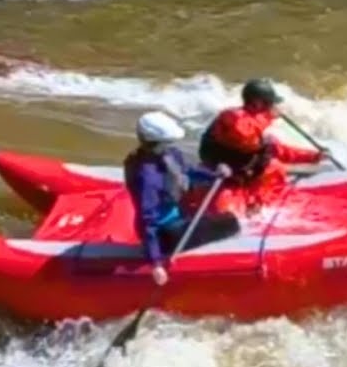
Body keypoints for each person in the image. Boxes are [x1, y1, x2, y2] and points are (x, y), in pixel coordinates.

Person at [124, 111, 240, 286]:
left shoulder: (169, 154)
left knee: (209, 214)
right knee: (230, 223)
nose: (171, 145)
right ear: (157, 144)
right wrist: (156, 264)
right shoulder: (148, 178)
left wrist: (214, 174)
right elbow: (148, 221)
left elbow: (188, 170)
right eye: (168, 142)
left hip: (177, 214)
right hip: (166, 233)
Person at [197, 77, 330, 211]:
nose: (272, 108)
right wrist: (268, 116)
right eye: (269, 104)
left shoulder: (257, 131)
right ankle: (250, 204)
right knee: (225, 206)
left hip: (244, 169)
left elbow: (279, 150)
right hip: (224, 167)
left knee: (274, 165)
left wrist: (314, 156)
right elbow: (243, 133)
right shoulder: (233, 116)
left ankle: (261, 202)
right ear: (257, 103)